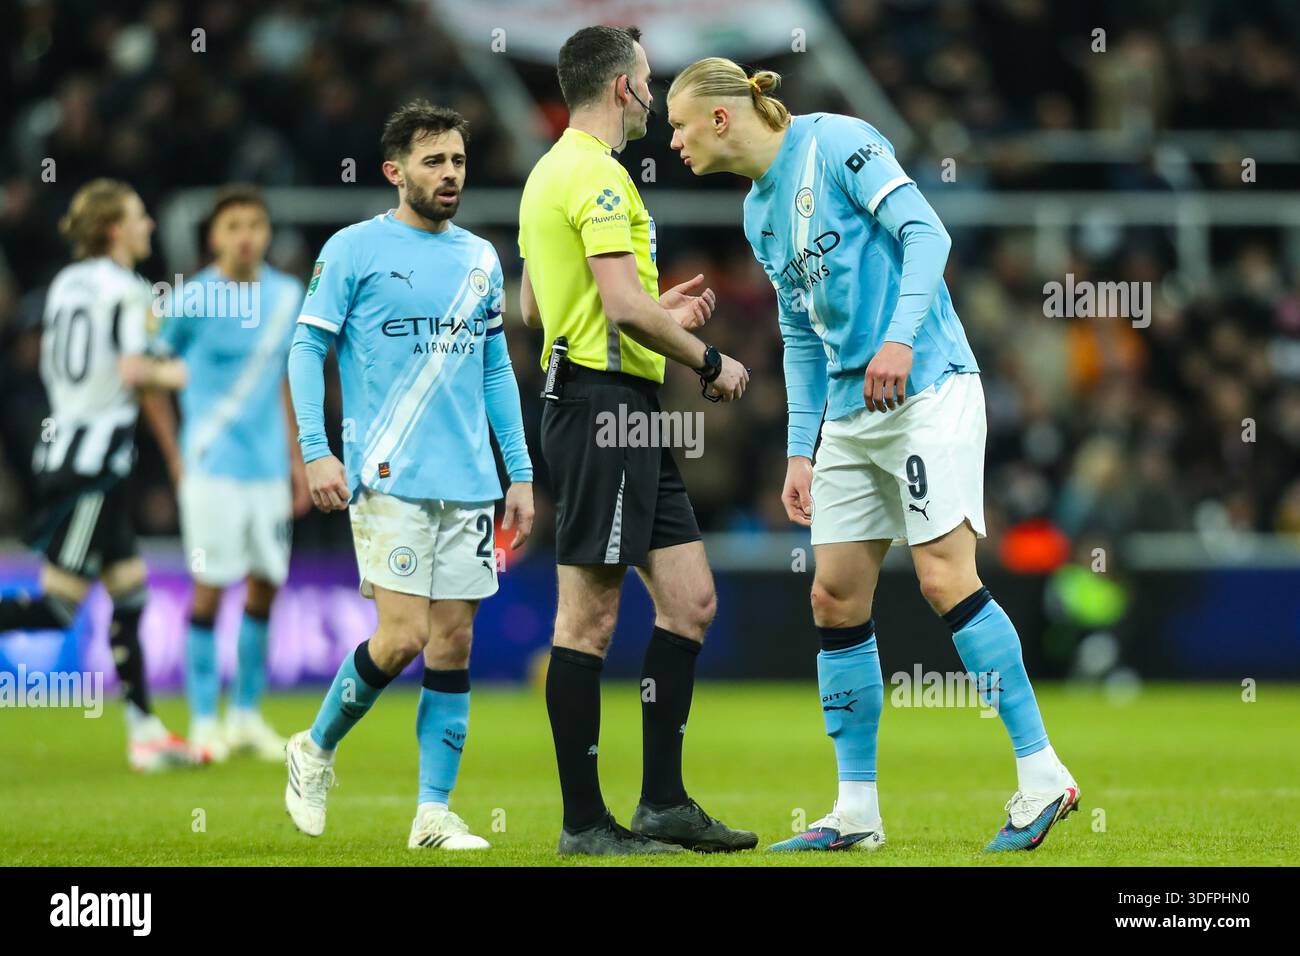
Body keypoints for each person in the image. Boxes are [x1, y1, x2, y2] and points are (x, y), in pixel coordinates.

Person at [666, 58, 1079, 853]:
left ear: (720, 118)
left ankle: (1043, 774)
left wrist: (897, 337)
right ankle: (856, 811)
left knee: (941, 577)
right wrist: (800, 450)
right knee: (833, 597)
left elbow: (928, 234)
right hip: (853, 414)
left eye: (680, 126)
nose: (674, 142)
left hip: (927, 385)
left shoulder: (839, 142)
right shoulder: (757, 212)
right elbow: (798, 333)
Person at [517, 25, 756, 855]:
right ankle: (584, 823)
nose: (654, 94)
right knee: (587, 621)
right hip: (599, 407)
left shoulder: (549, 173)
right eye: (648, 81)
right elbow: (618, 308)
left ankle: (662, 804)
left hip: (615, 404)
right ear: (622, 88)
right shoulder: (602, 178)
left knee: (690, 603)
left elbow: (536, 310)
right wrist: (707, 355)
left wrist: (662, 318)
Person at [283, 101, 534, 851]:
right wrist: (314, 447)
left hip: (470, 479)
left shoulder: (481, 258)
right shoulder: (353, 249)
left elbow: (495, 370)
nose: (450, 173)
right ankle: (315, 747)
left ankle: (432, 813)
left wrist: (518, 472)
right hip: (387, 471)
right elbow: (306, 349)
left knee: (453, 644)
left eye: (458, 160)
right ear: (395, 172)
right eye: (434, 161)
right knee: (402, 637)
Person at [0, 179, 196, 772]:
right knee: (58, 607)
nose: (150, 226)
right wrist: (186, 373)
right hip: (91, 466)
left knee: (130, 590)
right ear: (114, 228)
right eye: (139, 216)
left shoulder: (64, 283)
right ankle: (144, 732)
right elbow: (135, 366)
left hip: (78, 457)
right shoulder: (127, 289)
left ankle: (143, 730)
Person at [142, 185, 308, 762]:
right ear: (214, 236)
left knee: (266, 584)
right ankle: (203, 720)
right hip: (211, 467)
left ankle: (245, 716)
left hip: (267, 469)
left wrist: (298, 461)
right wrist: (175, 454)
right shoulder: (191, 300)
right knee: (210, 588)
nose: (246, 236)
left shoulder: (289, 297)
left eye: (256, 224)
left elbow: (286, 382)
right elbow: (147, 374)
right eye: (234, 225)